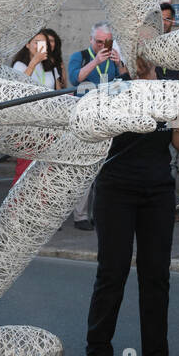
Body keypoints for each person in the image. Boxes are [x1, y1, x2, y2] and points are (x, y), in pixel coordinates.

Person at [86, 57, 179, 356]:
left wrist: (177, 117)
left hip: (158, 190)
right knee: (112, 270)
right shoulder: (113, 90)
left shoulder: (169, 92)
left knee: (156, 274)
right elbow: (96, 137)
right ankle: (98, 350)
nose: (143, 63)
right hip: (116, 189)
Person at [67, 22, 130, 229]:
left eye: (107, 42)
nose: (103, 46)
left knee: (103, 169)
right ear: (91, 40)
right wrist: (95, 61)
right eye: (99, 42)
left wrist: (120, 65)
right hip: (85, 118)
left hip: (106, 118)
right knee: (84, 168)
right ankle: (81, 216)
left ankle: (99, 212)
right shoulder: (81, 56)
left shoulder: (112, 59)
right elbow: (75, 79)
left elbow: (123, 84)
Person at [10, 29, 65, 185]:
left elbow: (58, 93)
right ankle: (15, 205)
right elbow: (17, 87)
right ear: (27, 44)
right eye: (36, 42)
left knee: (44, 170)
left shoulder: (50, 67)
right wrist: (34, 62)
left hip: (47, 123)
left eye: (44, 43)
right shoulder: (20, 65)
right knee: (24, 168)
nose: (40, 46)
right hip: (27, 123)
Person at [156, 2, 179, 83]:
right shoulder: (150, 44)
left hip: (175, 91)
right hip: (155, 91)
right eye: (161, 19)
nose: (164, 23)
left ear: (173, 20)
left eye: (167, 19)